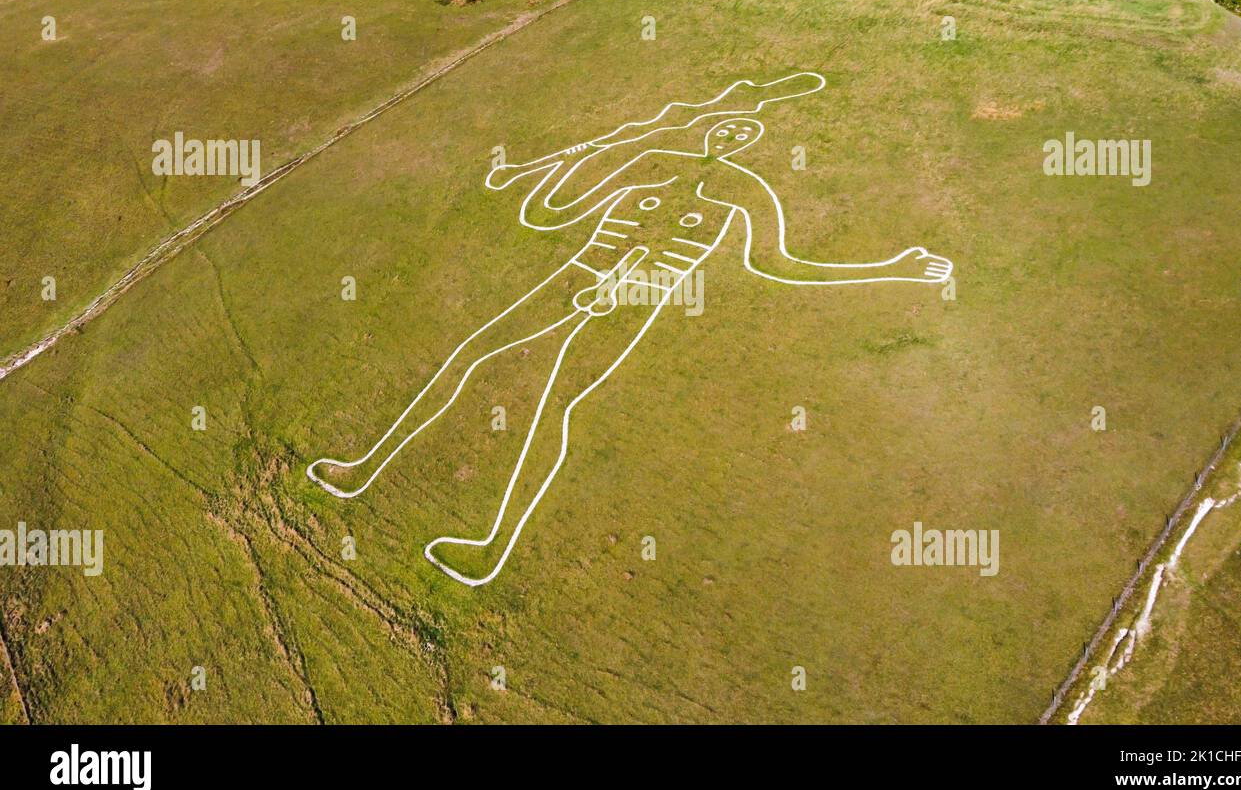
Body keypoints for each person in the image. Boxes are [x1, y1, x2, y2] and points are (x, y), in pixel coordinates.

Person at [307, 74, 953, 586]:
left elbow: (777, 265)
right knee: (472, 355)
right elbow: (551, 211)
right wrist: (589, 158)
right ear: (708, 130)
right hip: (574, 278)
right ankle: (361, 468)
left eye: (741, 132)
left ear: (744, 144)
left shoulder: (743, 191)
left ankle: (488, 546)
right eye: (724, 126)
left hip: (635, 303)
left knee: (556, 406)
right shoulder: (652, 161)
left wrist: (890, 268)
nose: (729, 136)